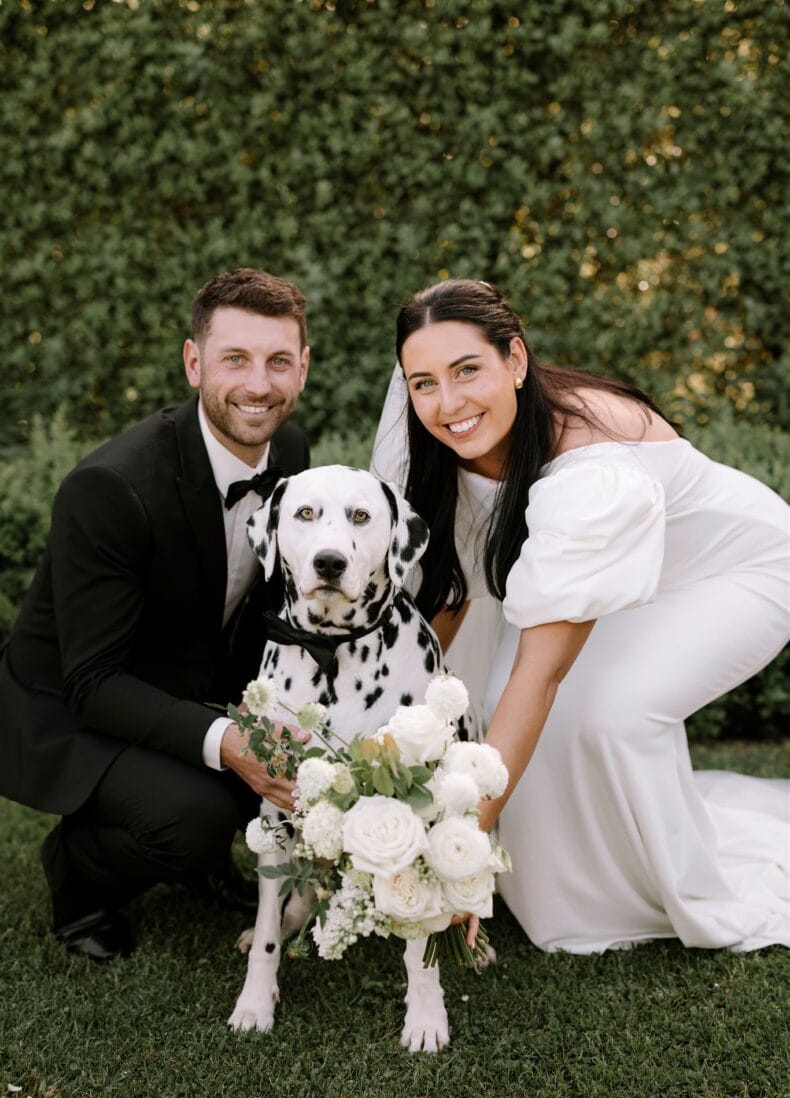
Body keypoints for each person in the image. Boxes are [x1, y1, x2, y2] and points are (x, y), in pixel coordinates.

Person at [372, 278, 789, 953]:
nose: (447, 404)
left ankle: (676, 890)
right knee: (497, 695)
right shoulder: (440, 445)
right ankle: (574, 888)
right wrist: (386, 731)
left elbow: (541, 674)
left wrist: (460, 843)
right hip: (625, 583)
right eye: (424, 383)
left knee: (613, 712)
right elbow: (451, 598)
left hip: (738, 570)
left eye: (467, 370)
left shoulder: (591, 465)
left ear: (516, 358)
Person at [0, 267, 311, 961]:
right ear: (194, 363)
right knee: (194, 813)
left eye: (277, 361)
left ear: (303, 367)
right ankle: (78, 882)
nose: (259, 384)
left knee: (282, 764)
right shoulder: (109, 489)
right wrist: (229, 740)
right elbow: (91, 681)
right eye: (236, 359)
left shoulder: (288, 451)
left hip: (177, 672)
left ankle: (196, 863)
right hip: (70, 699)